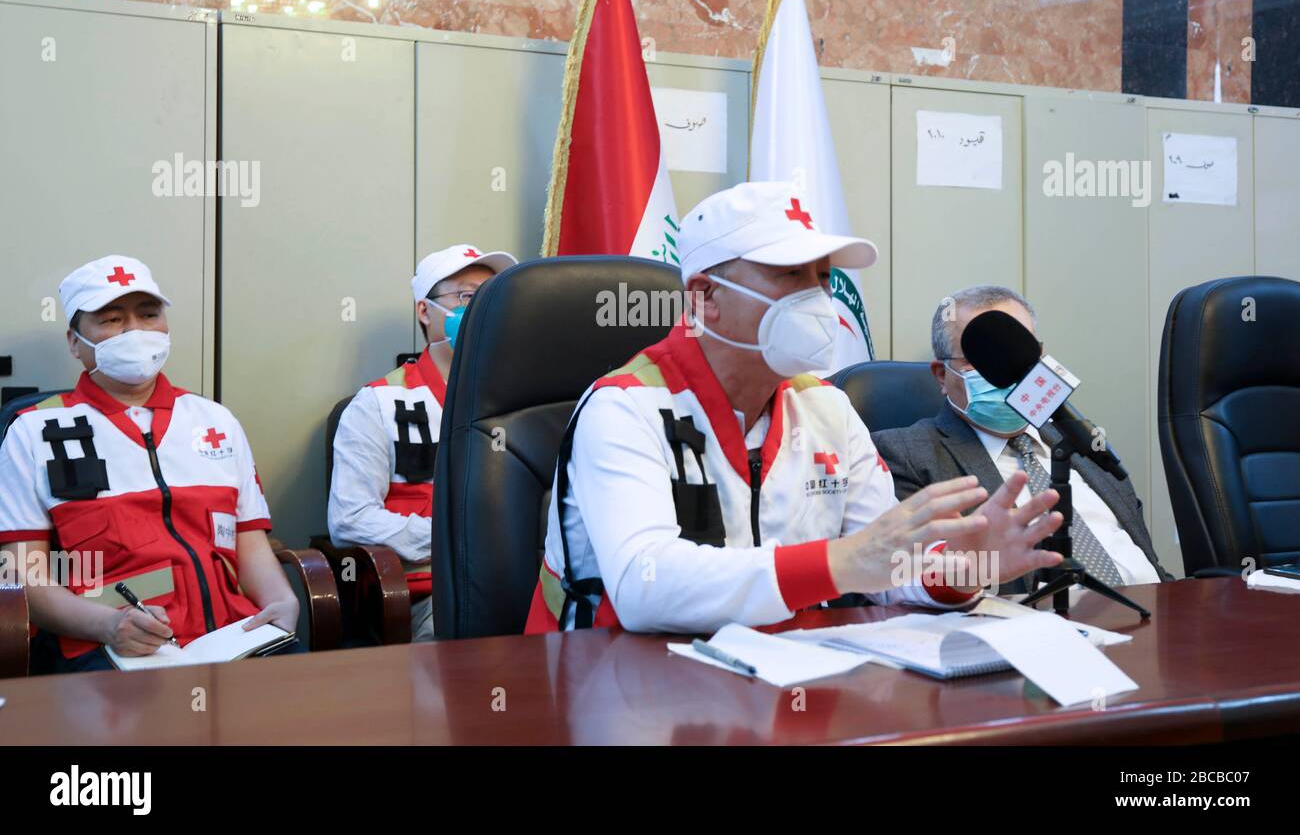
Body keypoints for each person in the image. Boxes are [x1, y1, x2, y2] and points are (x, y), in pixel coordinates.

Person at [525, 182, 1064, 634]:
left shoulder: (827, 407)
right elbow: (644, 585)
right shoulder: (622, 408)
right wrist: (839, 562)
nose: (818, 299)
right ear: (704, 298)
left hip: (787, 685)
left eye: (823, 277)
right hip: (621, 689)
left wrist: (958, 570)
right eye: (790, 275)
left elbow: (883, 567)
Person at [0, 255, 300, 673]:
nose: (134, 332)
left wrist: (282, 602)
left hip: (236, 635)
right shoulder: (34, 432)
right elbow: (23, 578)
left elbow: (250, 544)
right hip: (108, 647)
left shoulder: (214, 420)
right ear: (74, 341)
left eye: (148, 314)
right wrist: (109, 625)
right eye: (111, 319)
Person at [873, 284, 1172, 592]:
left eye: (1016, 354)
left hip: (1156, 612)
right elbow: (914, 581)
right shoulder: (907, 454)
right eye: (981, 358)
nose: (1004, 370)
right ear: (941, 375)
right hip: (1039, 629)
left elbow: (1151, 561)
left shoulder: (1080, 442)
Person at [328, 243, 517, 641]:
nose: (480, 309)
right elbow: (350, 519)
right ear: (424, 310)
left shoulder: (523, 400)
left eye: (489, 298)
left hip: (519, 583)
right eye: (467, 296)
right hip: (430, 594)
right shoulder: (377, 403)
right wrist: (458, 537)